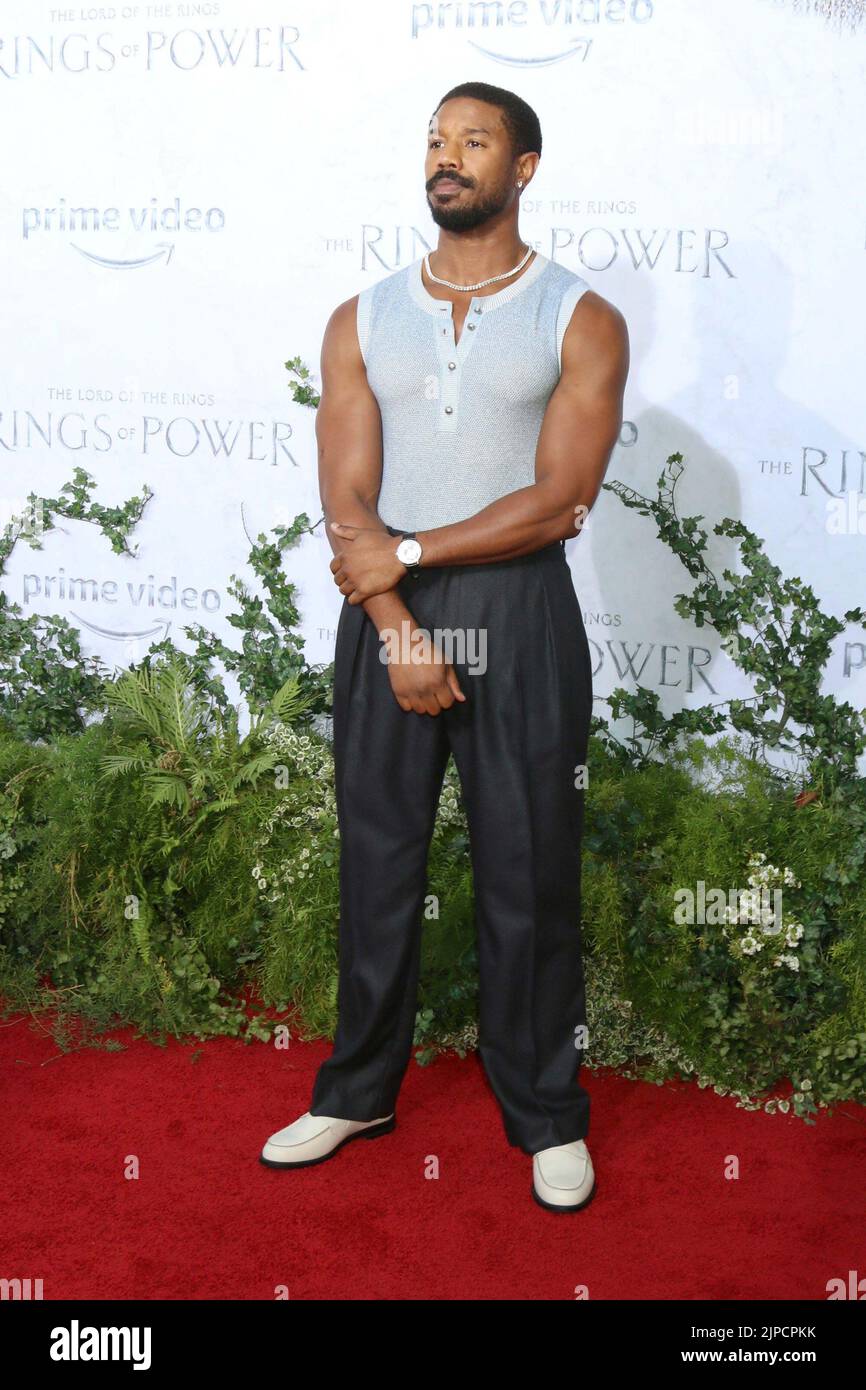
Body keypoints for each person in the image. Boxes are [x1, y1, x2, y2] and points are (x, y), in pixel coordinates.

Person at [260, 80, 629, 1212]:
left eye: (474, 141)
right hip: (388, 617)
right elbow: (346, 497)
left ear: (522, 169)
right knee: (379, 865)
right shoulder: (359, 317)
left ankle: (546, 1112)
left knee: (528, 869)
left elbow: (561, 499)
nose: (446, 158)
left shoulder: (579, 317)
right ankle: (358, 1086)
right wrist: (394, 619)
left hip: (519, 611)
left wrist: (408, 557)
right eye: (434, 140)